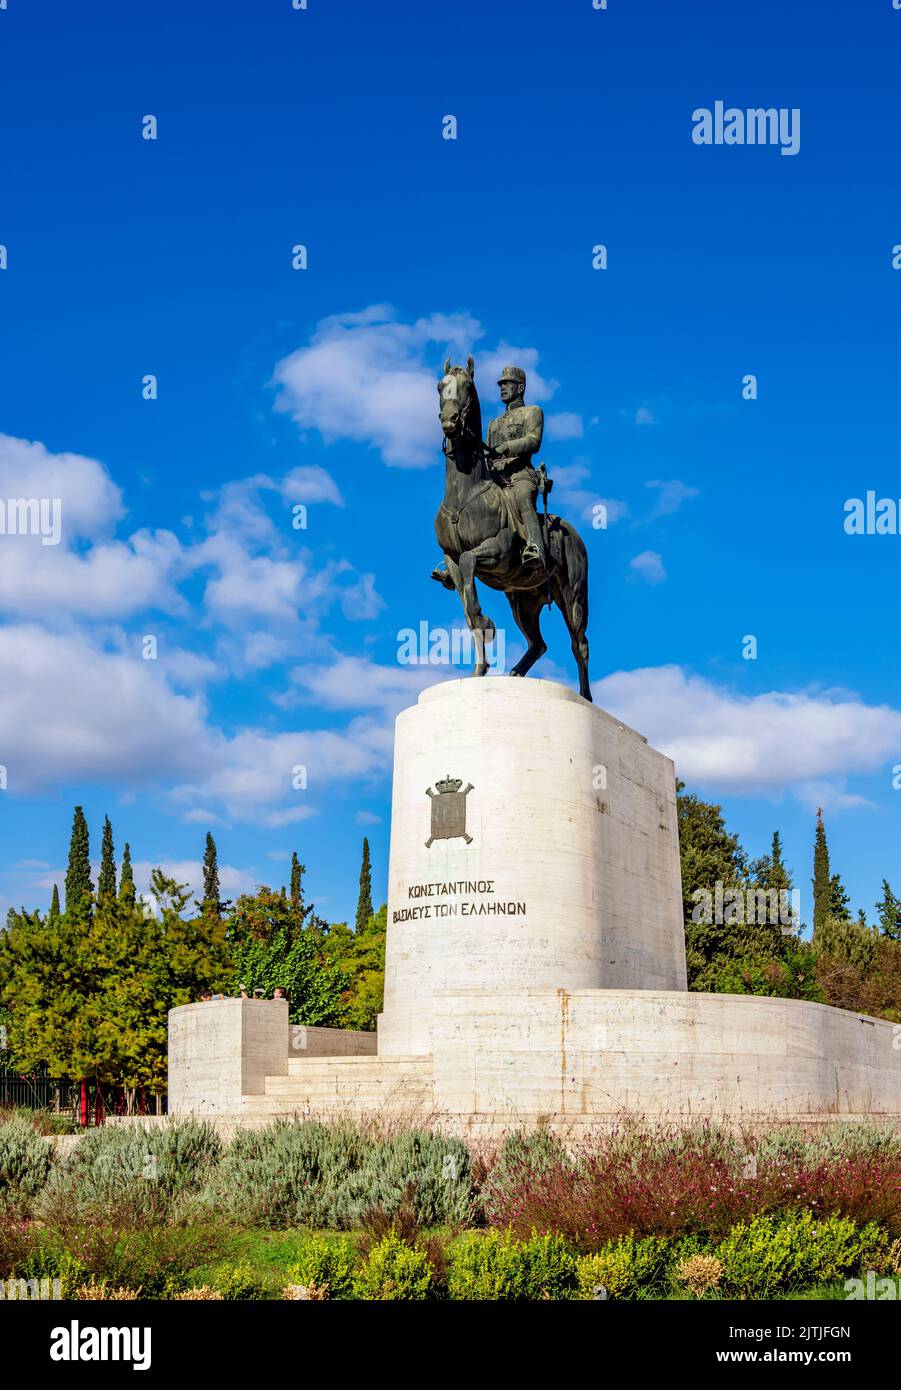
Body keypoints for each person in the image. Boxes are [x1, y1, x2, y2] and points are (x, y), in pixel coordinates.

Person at [486, 365, 546, 568]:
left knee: (522, 498)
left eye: (507, 383)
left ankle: (535, 547)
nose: (502, 387)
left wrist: (506, 447)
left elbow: (533, 441)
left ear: (520, 388)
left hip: (520, 474)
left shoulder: (532, 412)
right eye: (500, 384)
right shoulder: (494, 423)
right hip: (496, 477)